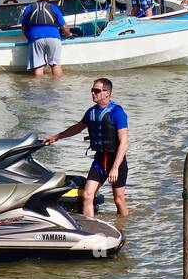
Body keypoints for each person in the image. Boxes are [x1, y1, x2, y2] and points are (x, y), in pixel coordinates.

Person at [42, 78, 129, 218]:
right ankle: (90, 229)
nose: (93, 93)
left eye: (97, 91)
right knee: (88, 196)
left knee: (118, 200)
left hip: (116, 161)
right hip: (100, 160)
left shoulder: (117, 113)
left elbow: (124, 142)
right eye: (92, 90)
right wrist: (56, 137)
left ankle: (124, 227)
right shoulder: (91, 112)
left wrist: (115, 168)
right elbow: (77, 128)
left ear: (107, 93)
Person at [19, 0, 71, 77]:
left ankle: (39, 88)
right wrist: (68, 34)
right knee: (55, 65)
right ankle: (57, 87)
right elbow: (64, 26)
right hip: (54, 38)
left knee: (38, 66)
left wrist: (29, 38)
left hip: (36, 38)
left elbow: (23, 27)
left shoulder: (29, 8)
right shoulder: (53, 8)